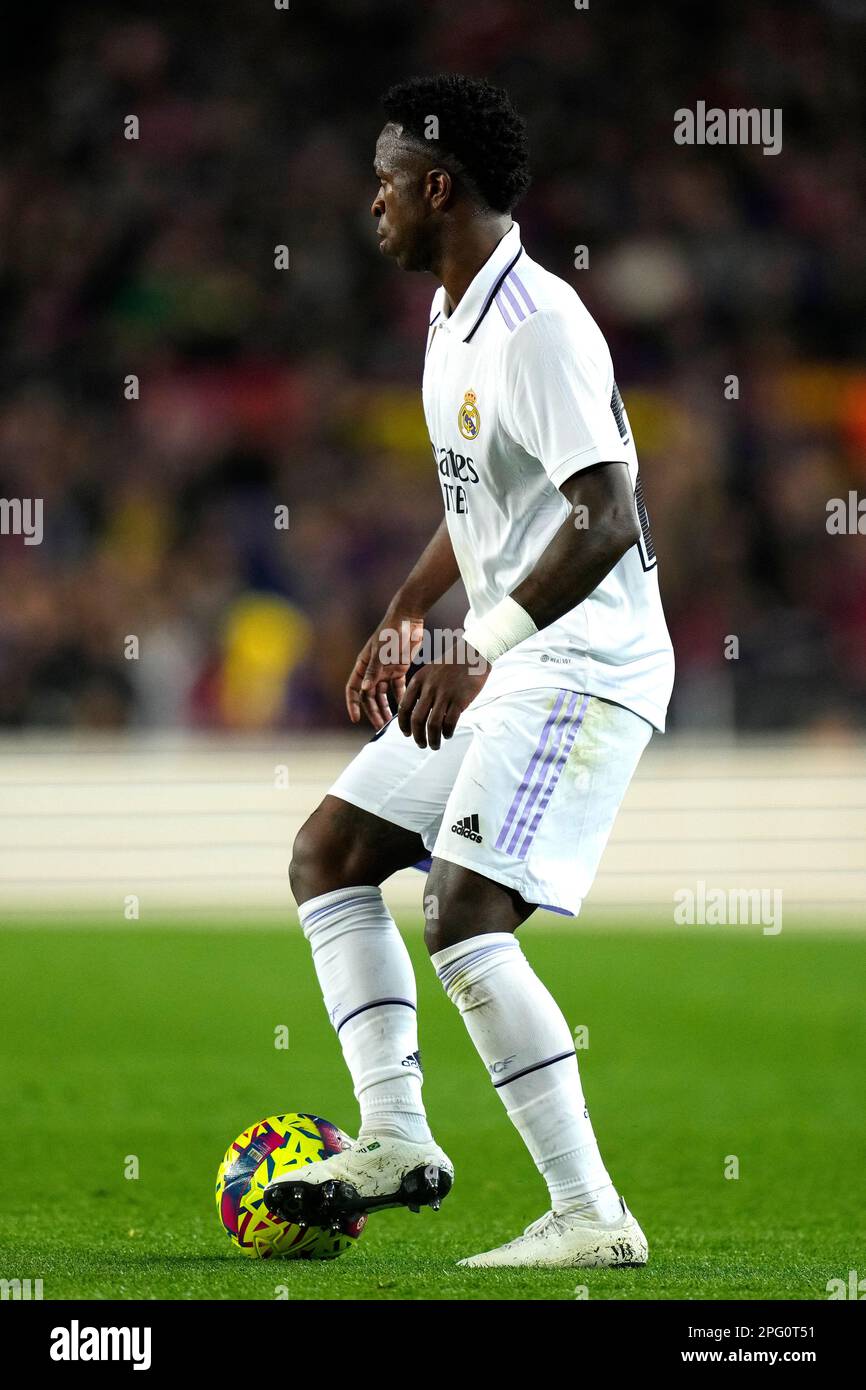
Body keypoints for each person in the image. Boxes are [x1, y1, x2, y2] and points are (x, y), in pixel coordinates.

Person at [264, 73, 674, 1268]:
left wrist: (475, 647)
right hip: (503, 652)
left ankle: (591, 1214)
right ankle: (391, 1135)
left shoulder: (536, 325)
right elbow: (488, 489)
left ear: (437, 187)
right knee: (330, 854)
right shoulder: (453, 316)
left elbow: (600, 515)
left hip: (576, 660)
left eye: (386, 179)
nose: (372, 200)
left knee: (463, 909)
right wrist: (407, 606)